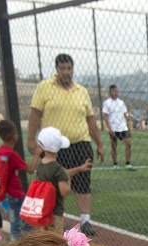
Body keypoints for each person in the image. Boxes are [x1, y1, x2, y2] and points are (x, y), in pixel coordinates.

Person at [27, 54, 103, 235]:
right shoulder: (45, 87)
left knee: (83, 183)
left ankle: (85, 221)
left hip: (80, 143)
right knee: (50, 183)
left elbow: (90, 119)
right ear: (56, 69)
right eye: (62, 68)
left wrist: (99, 143)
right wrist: (30, 139)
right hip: (53, 147)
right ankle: (47, 219)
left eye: (69, 68)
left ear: (73, 69)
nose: (66, 72)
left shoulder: (81, 91)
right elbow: (35, 114)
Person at [32, 125, 90, 235]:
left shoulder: (42, 165)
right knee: (56, 240)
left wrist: (79, 169)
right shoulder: (58, 169)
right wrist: (68, 180)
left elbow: (61, 173)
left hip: (42, 211)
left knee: (43, 238)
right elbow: (64, 191)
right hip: (55, 213)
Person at [0, 119, 31, 240]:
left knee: (17, 217)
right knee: (18, 220)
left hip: (6, 192)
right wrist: (37, 154)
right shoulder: (12, 154)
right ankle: (16, 242)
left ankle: (21, 237)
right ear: (13, 136)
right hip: (15, 192)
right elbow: (30, 169)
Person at [101, 85, 135, 170]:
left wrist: (128, 126)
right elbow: (105, 116)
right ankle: (115, 164)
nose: (116, 93)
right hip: (114, 128)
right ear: (110, 92)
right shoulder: (107, 103)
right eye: (114, 91)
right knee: (114, 146)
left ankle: (128, 163)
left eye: (117, 91)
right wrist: (109, 129)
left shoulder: (121, 102)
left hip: (123, 127)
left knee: (128, 144)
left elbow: (125, 115)